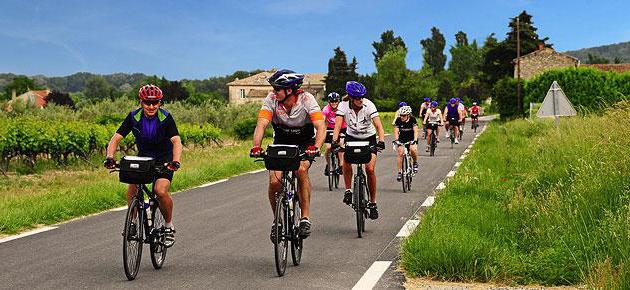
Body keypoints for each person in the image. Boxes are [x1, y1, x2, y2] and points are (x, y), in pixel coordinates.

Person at [249, 69, 326, 241]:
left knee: (301, 170)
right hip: (281, 141)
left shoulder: (307, 99)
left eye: (277, 89)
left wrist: (316, 147)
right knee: (275, 181)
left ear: (289, 90)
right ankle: (277, 221)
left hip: (305, 142)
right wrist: (256, 146)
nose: (273, 92)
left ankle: (305, 218)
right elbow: (261, 124)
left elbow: (320, 126)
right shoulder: (271, 100)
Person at [104, 84, 182, 248]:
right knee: (132, 187)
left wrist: (175, 161)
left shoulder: (165, 118)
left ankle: (168, 226)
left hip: (164, 158)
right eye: (147, 103)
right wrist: (110, 157)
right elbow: (116, 138)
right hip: (144, 157)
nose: (151, 106)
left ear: (160, 103)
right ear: (141, 102)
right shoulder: (133, 117)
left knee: (160, 191)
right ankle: (132, 222)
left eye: (155, 103)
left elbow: (176, 141)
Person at [332, 81, 386, 220]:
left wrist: (381, 141)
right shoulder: (343, 106)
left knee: (370, 169)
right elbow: (337, 125)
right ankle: (348, 190)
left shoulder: (369, 105)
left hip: (369, 138)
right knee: (346, 161)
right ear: (350, 97)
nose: (360, 100)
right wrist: (334, 141)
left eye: (362, 97)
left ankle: (373, 203)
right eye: (357, 98)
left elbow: (379, 126)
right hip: (352, 137)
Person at [322, 92, 346, 176]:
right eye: (332, 101)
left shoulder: (342, 108)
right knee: (328, 148)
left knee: (341, 145)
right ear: (329, 102)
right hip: (330, 129)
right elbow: (322, 120)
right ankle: (328, 165)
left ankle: (340, 166)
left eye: (336, 101)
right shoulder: (326, 109)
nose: (334, 103)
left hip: (342, 128)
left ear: (338, 101)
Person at [393, 106, 419, 180]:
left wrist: (415, 140)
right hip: (402, 139)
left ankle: (415, 163)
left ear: (408, 115)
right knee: (400, 153)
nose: (402, 117)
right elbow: (396, 131)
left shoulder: (412, 119)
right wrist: (397, 140)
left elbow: (415, 131)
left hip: (411, 138)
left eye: (403, 115)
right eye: (400, 115)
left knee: (413, 149)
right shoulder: (398, 120)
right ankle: (399, 172)